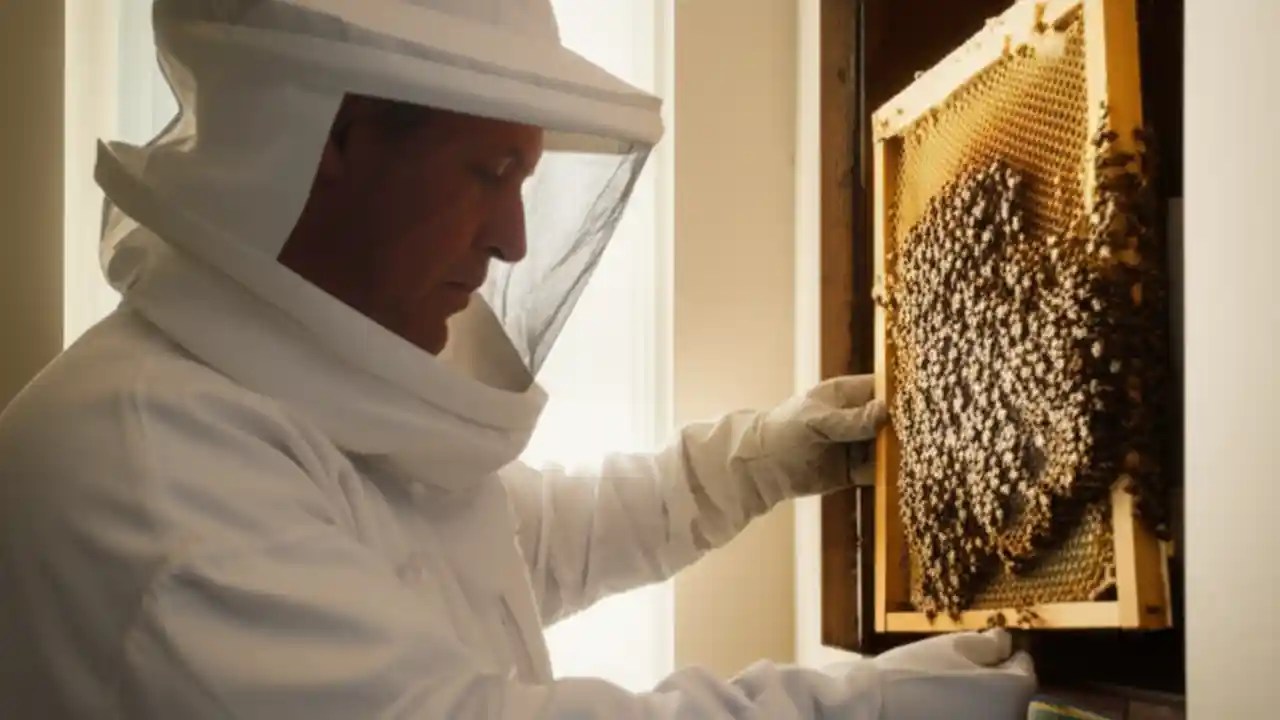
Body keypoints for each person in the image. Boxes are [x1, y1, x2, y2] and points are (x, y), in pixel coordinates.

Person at [0, 0, 1035, 717]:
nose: (513, 240)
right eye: (490, 171)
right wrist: (861, 712)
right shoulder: (149, 463)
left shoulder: (275, 394)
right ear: (337, 138)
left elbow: (508, 550)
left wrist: (753, 461)